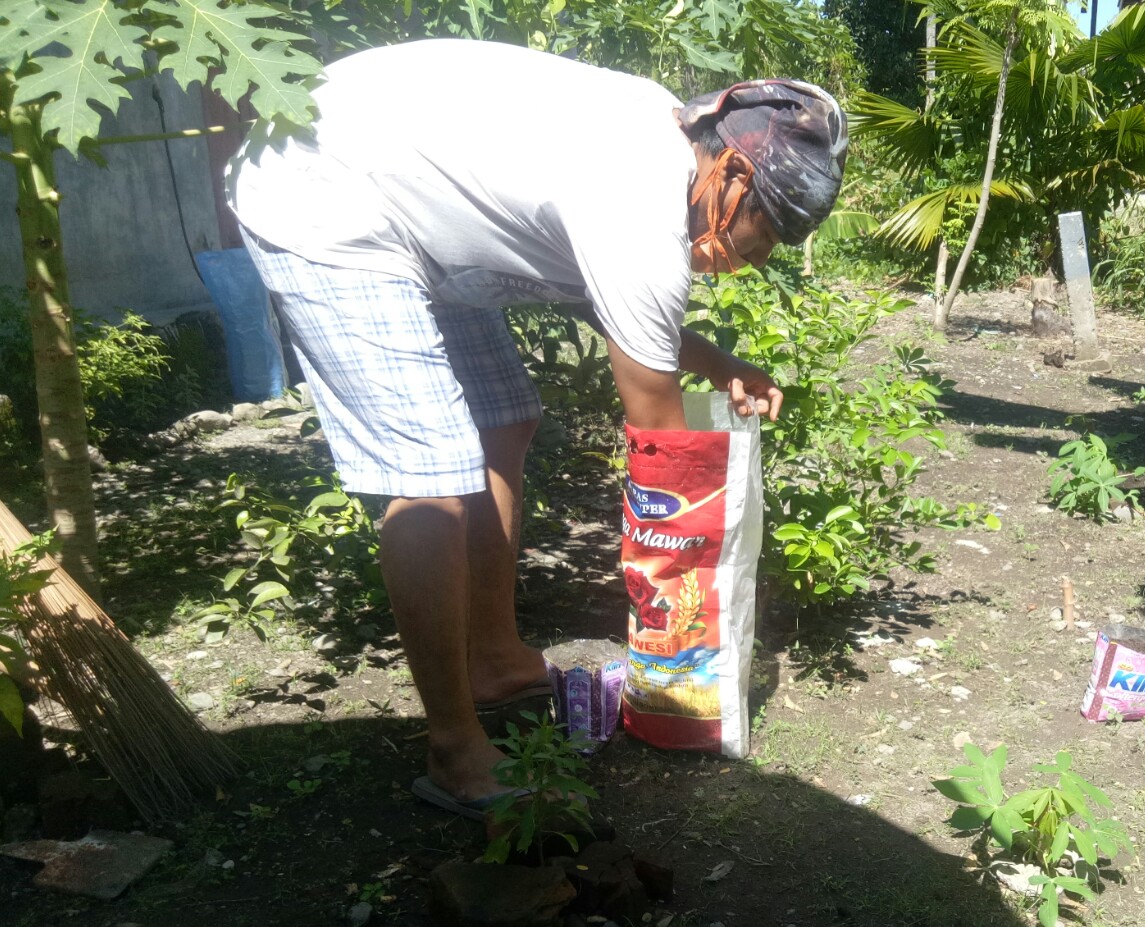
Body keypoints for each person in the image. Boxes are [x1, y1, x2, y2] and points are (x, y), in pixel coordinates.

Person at [227, 38, 847, 815]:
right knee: (430, 477)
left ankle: (490, 658)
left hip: (406, 202)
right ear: (732, 172)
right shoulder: (637, 194)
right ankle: (455, 747)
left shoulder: (664, 156)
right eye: (769, 227)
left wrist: (717, 361)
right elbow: (663, 450)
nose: (758, 255)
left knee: (504, 421)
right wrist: (687, 625)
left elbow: (617, 295)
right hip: (323, 193)